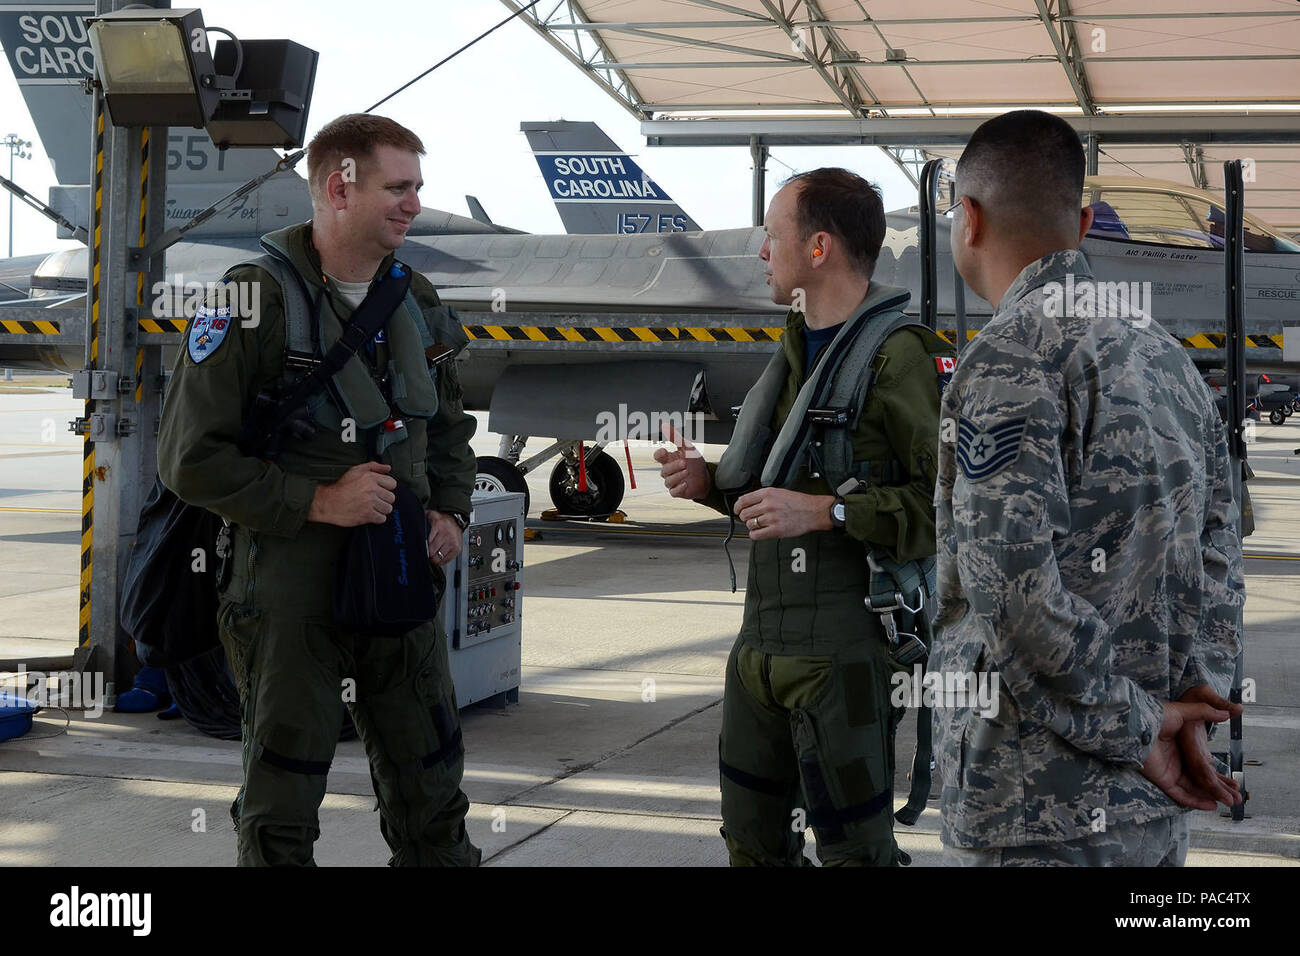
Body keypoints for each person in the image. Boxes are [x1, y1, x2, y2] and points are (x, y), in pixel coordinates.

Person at [157, 114, 480, 866]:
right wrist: (315, 501)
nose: (412, 204)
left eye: (416, 188)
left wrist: (450, 512)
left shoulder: (414, 296)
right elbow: (189, 458)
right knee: (283, 803)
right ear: (340, 185)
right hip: (288, 592)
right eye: (398, 188)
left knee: (432, 791)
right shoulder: (251, 299)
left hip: (399, 580)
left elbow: (451, 427)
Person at [932, 109, 1245, 866]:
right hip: (1153, 805)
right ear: (1079, 220)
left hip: (1036, 809)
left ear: (966, 218)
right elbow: (1221, 559)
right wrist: (1190, 716)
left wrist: (1140, 727)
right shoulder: (1167, 356)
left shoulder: (1008, 357)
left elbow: (1012, 595)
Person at [656, 168, 954, 866]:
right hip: (759, 649)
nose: (762, 251)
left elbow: (947, 509)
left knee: (856, 852)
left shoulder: (899, 359)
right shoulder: (795, 352)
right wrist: (707, 483)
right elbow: (774, 496)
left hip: (844, 653)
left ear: (817, 248)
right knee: (752, 846)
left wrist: (830, 511)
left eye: (772, 235)